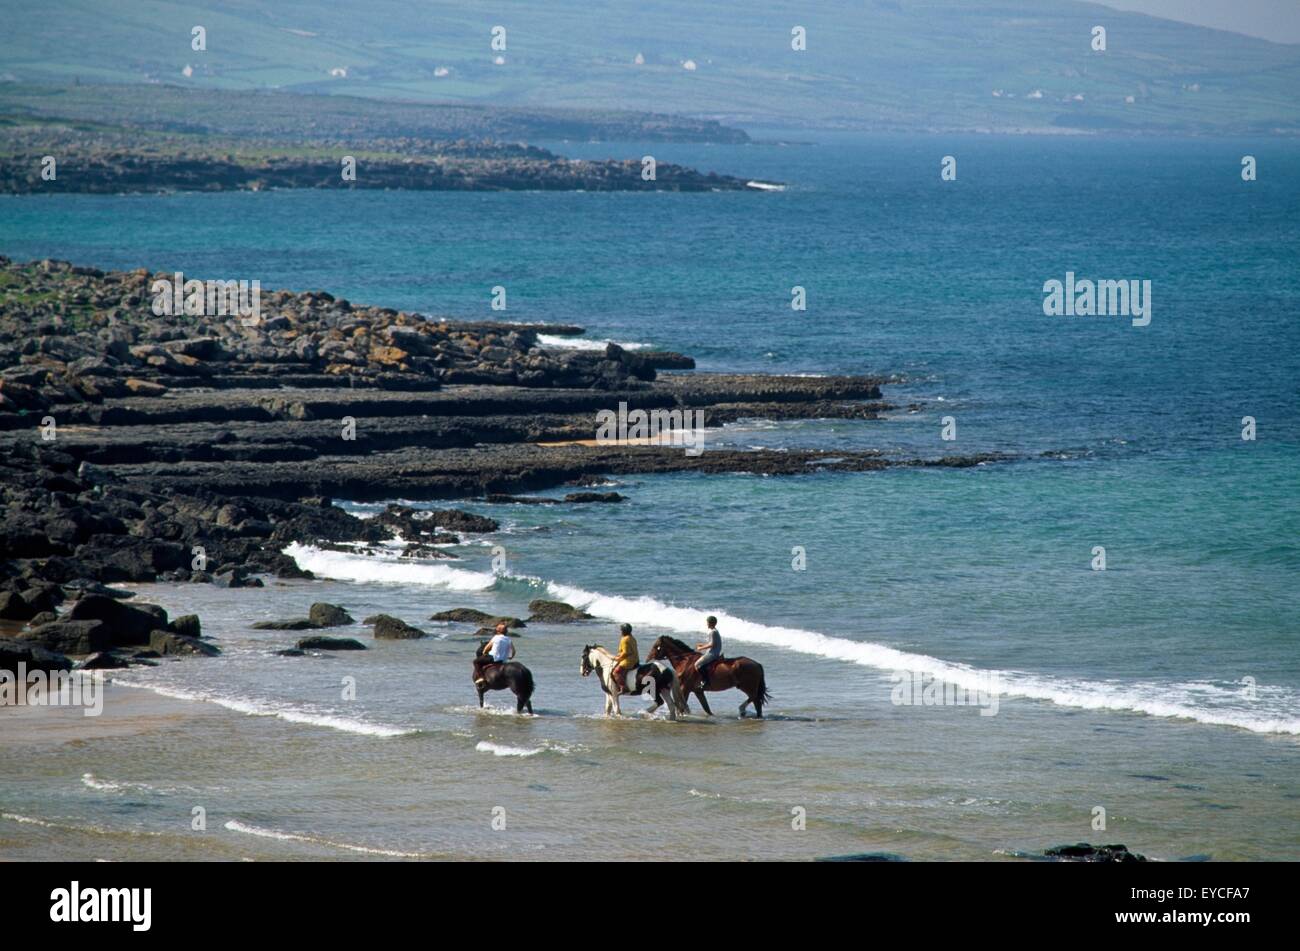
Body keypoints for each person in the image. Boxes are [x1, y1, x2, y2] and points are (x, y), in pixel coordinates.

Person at [473, 621, 515, 687]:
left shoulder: (495, 637)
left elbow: (486, 648)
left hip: (493, 658)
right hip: (503, 660)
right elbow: (513, 651)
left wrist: (484, 653)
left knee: (476, 662)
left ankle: (481, 677)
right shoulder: (508, 639)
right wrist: (511, 657)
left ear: (498, 631)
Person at [694, 615, 722, 688]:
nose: (707, 624)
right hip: (713, 652)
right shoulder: (715, 631)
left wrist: (701, 648)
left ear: (711, 623)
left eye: (707, 622)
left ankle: (705, 681)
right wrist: (702, 644)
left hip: (712, 653)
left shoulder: (713, 632)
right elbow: (711, 643)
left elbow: (712, 644)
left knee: (697, 664)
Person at [612, 622, 639, 694]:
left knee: (616, 672)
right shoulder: (632, 638)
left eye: (621, 630)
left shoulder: (625, 639)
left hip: (629, 660)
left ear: (624, 631)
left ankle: (623, 687)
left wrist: (618, 658)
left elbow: (625, 652)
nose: (620, 632)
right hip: (635, 659)